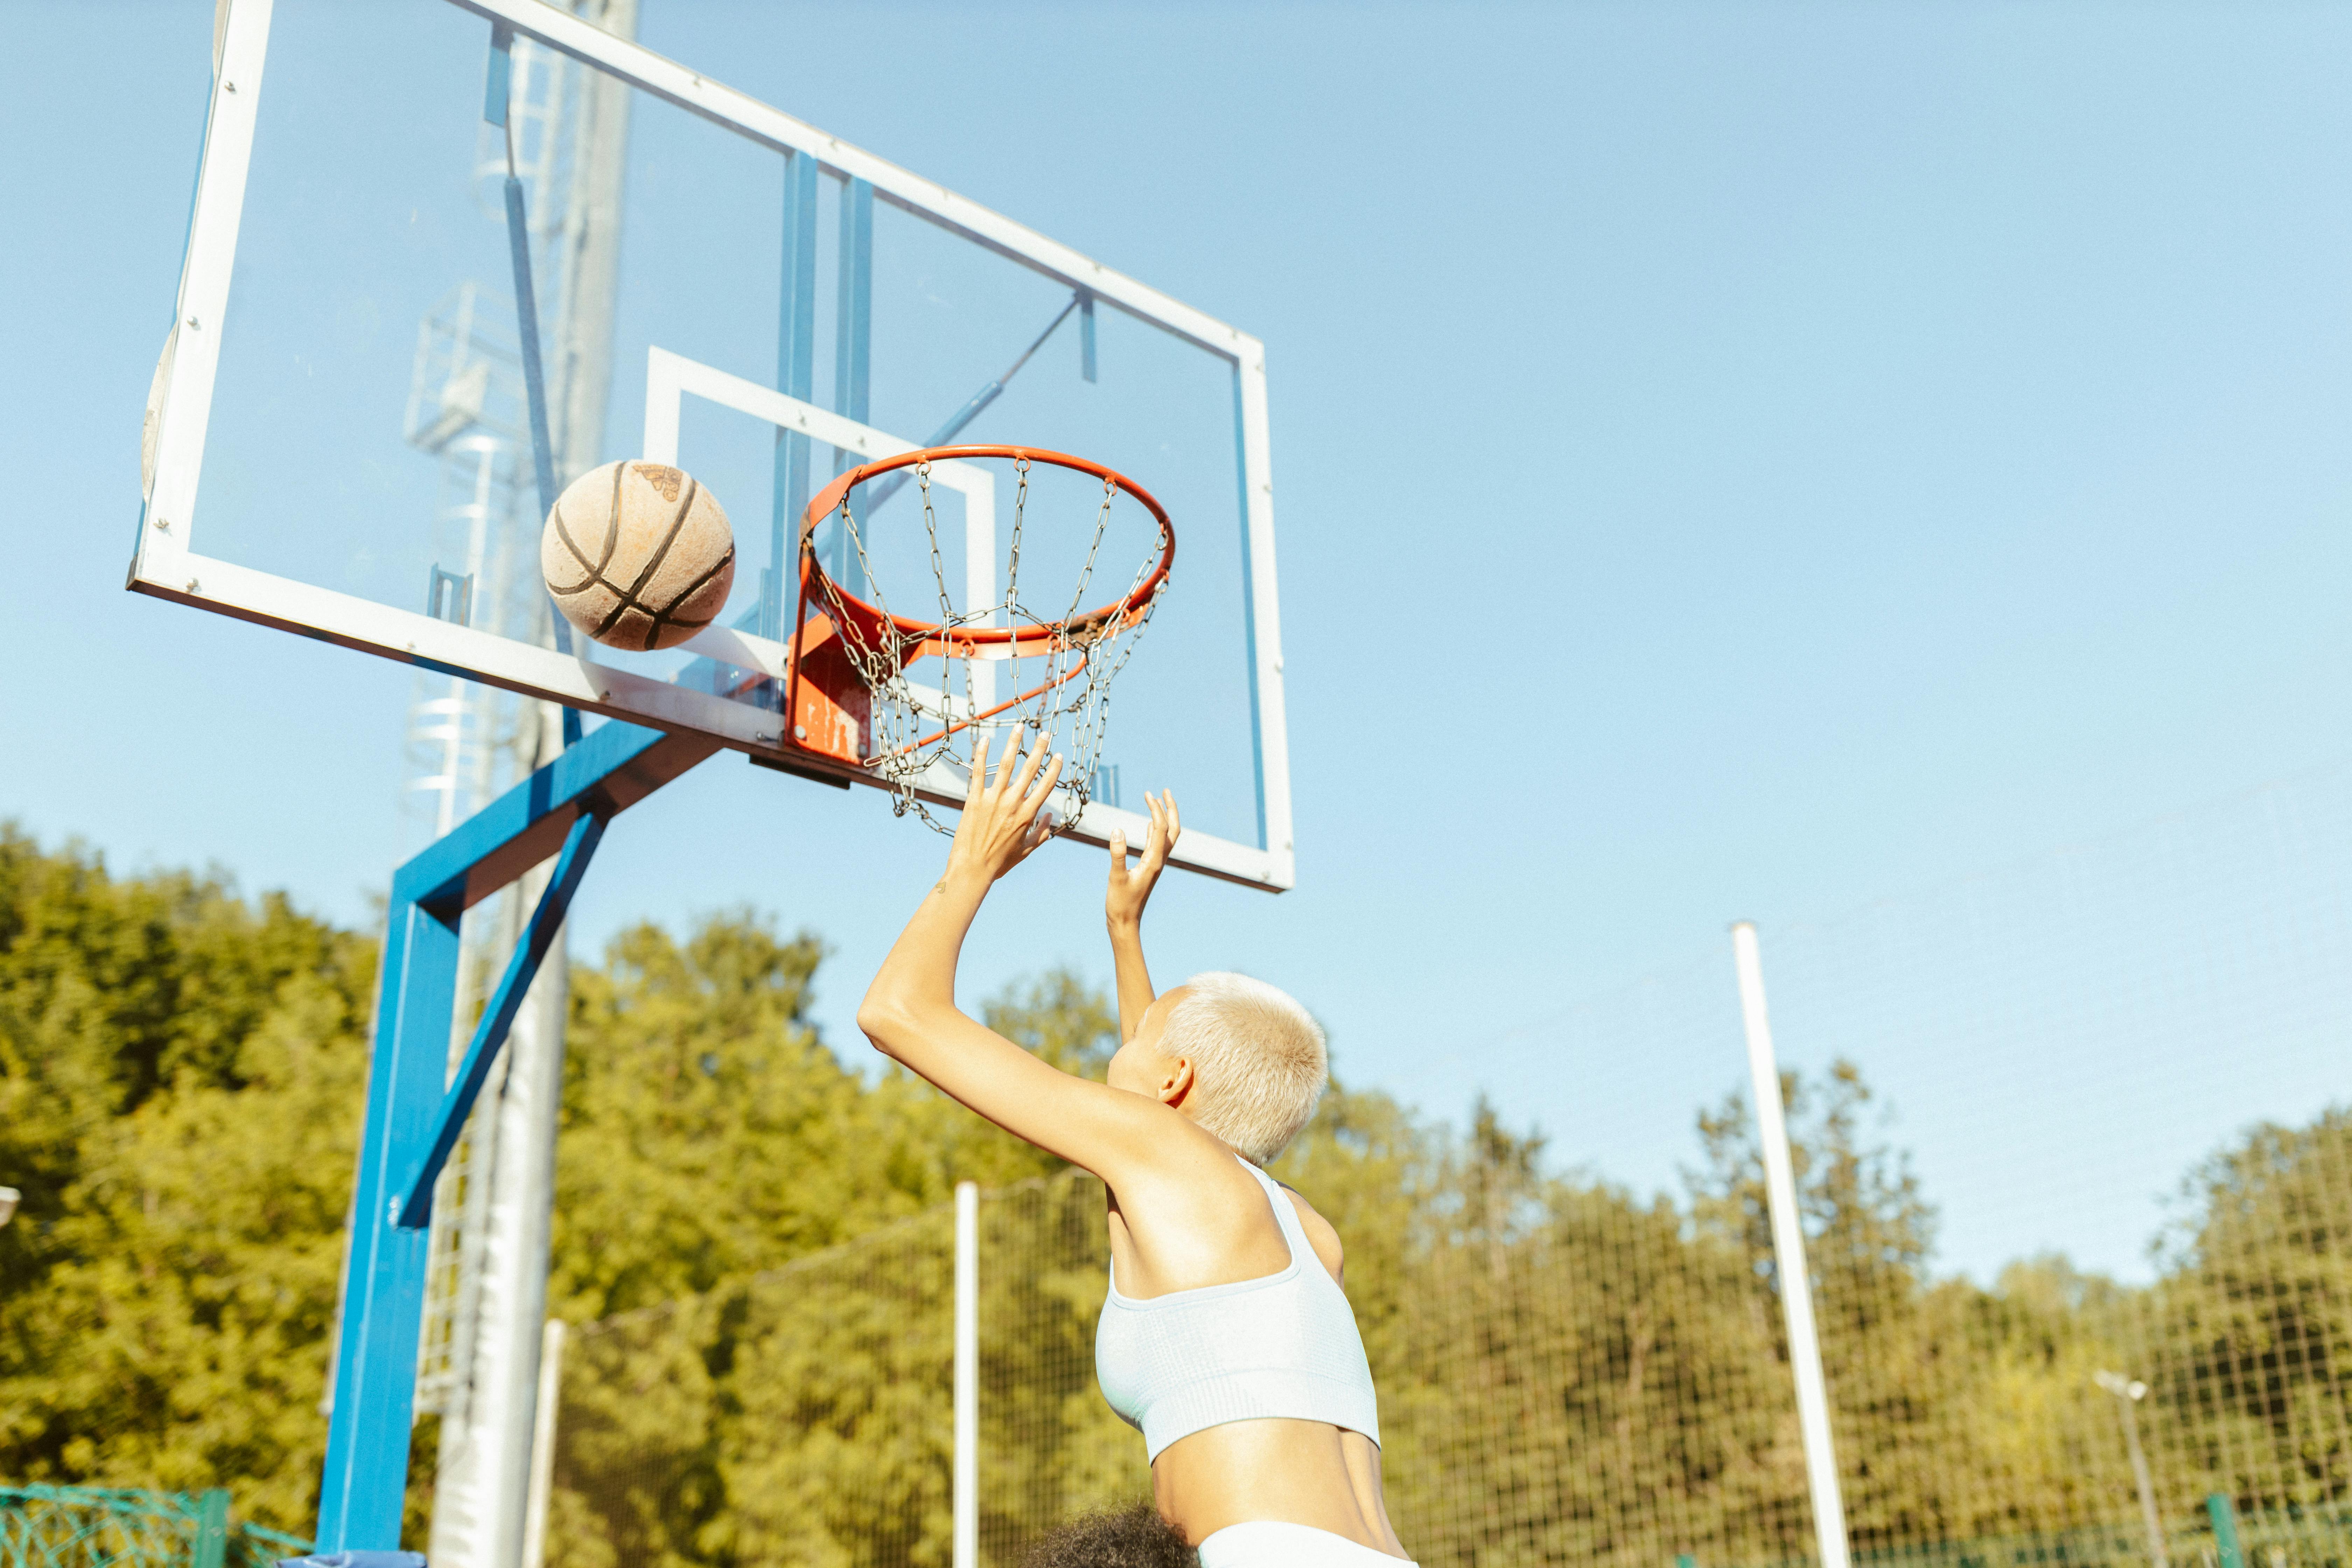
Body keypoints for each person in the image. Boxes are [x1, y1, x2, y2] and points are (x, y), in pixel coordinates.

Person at [858, 733, 1415, 1568]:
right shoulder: (1304, 1231)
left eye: (1147, 1030)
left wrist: (971, 862)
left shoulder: (1169, 1160)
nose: (1130, 1031)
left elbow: (896, 1011)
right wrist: (1125, 930)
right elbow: (1166, 1114)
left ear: (1175, 1077)